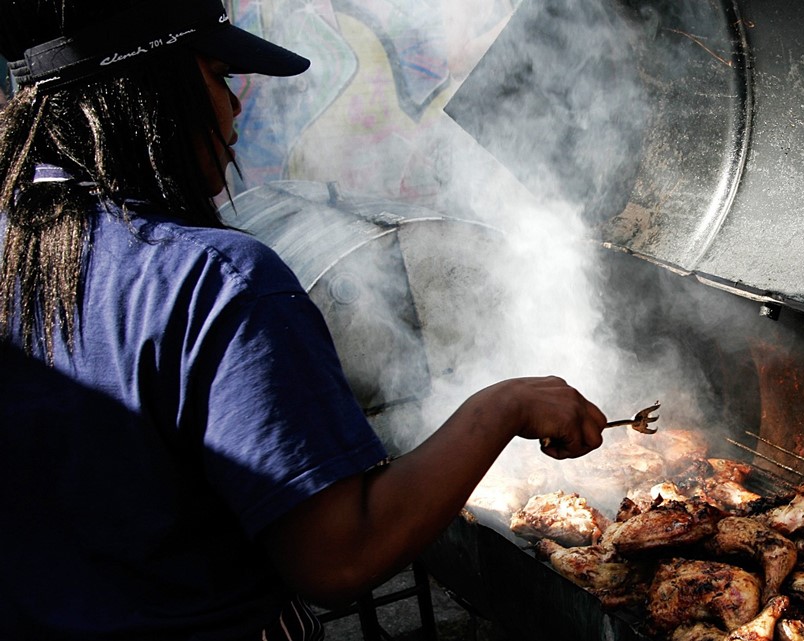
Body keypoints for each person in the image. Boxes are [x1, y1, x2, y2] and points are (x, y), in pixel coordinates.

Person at [0, 1, 608, 639]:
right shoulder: (216, 280)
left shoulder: (21, 240)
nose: (236, 107)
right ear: (148, 91)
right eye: (218, 76)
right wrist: (503, 406)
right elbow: (339, 556)